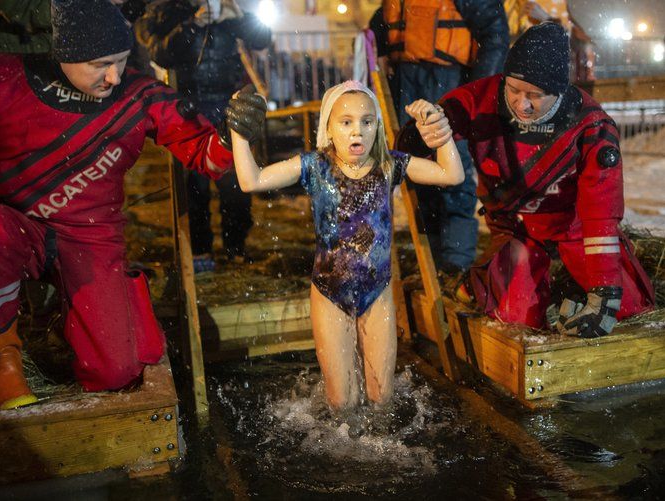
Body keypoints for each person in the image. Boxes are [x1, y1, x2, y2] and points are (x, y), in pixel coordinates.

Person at [0, 0, 265, 410]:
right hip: (18, 226)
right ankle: (2, 363)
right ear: (63, 53)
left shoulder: (137, 93)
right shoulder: (2, 75)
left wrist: (235, 136)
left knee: (118, 370)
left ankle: (76, 317)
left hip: (92, 239)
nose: (114, 75)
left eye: (122, 61)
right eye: (101, 64)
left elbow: (204, 155)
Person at [397, 23, 655, 336]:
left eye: (535, 95)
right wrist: (423, 130)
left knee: (627, 307)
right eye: (514, 90)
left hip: (573, 227)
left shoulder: (591, 128)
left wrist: (605, 293)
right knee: (518, 316)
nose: (522, 104)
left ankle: (575, 291)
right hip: (515, 227)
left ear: (559, 91)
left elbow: (600, 215)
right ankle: (483, 281)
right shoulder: (482, 98)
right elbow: (431, 128)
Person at [231, 81, 463, 410]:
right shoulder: (314, 166)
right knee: (342, 402)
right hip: (329, 292)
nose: (357, 131)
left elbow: (451, 174)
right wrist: (240, 134)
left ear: (377, 126)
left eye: (367, 121)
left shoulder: (389, 165)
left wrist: (441, 132)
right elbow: (251, 180)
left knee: (382, 399)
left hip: (377, 292)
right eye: (346, 122)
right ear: (328, 126)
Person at [383, 0, 509, 279]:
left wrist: (476, 91)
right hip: (407, 81)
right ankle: (431, 260)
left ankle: (455, 262)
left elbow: (495, 33)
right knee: (417, 171)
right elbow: (382, 23)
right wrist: (378, 48)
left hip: (448, 81)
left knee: (453, 171)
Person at [142, 0, 272, 271]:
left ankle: (236, 246)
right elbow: (159, 53)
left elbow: (262, 39)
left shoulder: (227, 9)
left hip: (227, 104)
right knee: (195, 185)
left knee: (236, 181)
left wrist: (238, 17)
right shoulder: (169, 9)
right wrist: (193, 24)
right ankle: (200, 251)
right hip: (188, 108)